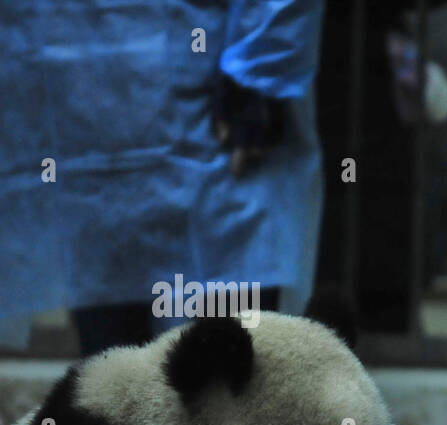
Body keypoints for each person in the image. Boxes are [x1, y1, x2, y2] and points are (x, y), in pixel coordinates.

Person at [0, 0, 326, 356]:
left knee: (221, 368)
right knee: (112, 377)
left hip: (212, 114)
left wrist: (260, 72)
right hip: (81, 115)